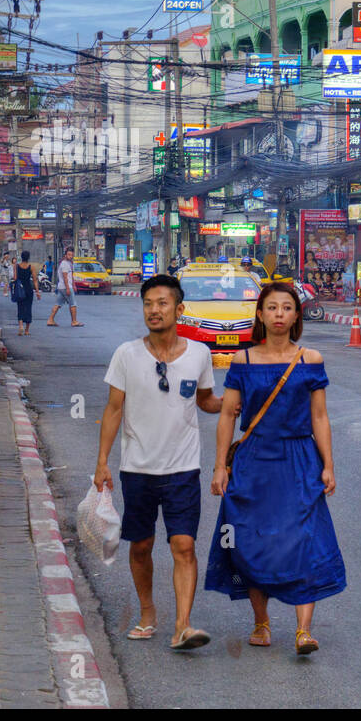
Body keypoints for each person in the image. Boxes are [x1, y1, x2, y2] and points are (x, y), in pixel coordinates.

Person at [206, 281, 345, 655]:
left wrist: (328, 465)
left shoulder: (310, 360)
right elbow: (227, 418)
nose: (279, 314)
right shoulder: (243, 361)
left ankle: (304, 631)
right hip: (254, 462)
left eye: (286, 308)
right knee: (252, 539)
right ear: (260, 314)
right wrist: (220, 466)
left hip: (300, 461)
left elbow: (319, 417)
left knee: (305, 538)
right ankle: (261, 622)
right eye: (272, 308)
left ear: (296, 315)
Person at [94, 274, 221, 651]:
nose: (154, 310)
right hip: (137, 469)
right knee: (141, 546)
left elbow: (205, 401)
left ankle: (182, 625)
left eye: (163, 303)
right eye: (149, 303)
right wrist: (102, 463)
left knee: (183, 545)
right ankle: (147, 613)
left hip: (183, 469)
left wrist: (236, 402)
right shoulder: (127, 354)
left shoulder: (199, 354)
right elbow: (114, 410)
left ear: (179, 309)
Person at [46, 247, 81, 327]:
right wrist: (68, 288)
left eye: (72, 255)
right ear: (65, 255)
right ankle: (74, 321)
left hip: (62, 287)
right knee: (73, 304)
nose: (70, 256)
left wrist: (74, 284)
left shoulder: (69, 263)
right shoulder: (64, 264)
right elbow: (65, 277)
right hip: (65, 287)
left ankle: (50, 320)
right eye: (69, 255)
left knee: (58, 304)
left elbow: (70, 276)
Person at [13, 250, 39, 336]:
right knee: (28, 308)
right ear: (28, 257)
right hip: (28, 289)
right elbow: (35, 280)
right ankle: (27, 330)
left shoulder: (16, 266)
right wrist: (37, 292)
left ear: (21, 257)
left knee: (20, 307)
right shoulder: (31, 267)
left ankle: (20, 326)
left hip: (20, 289)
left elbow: (15, 278)